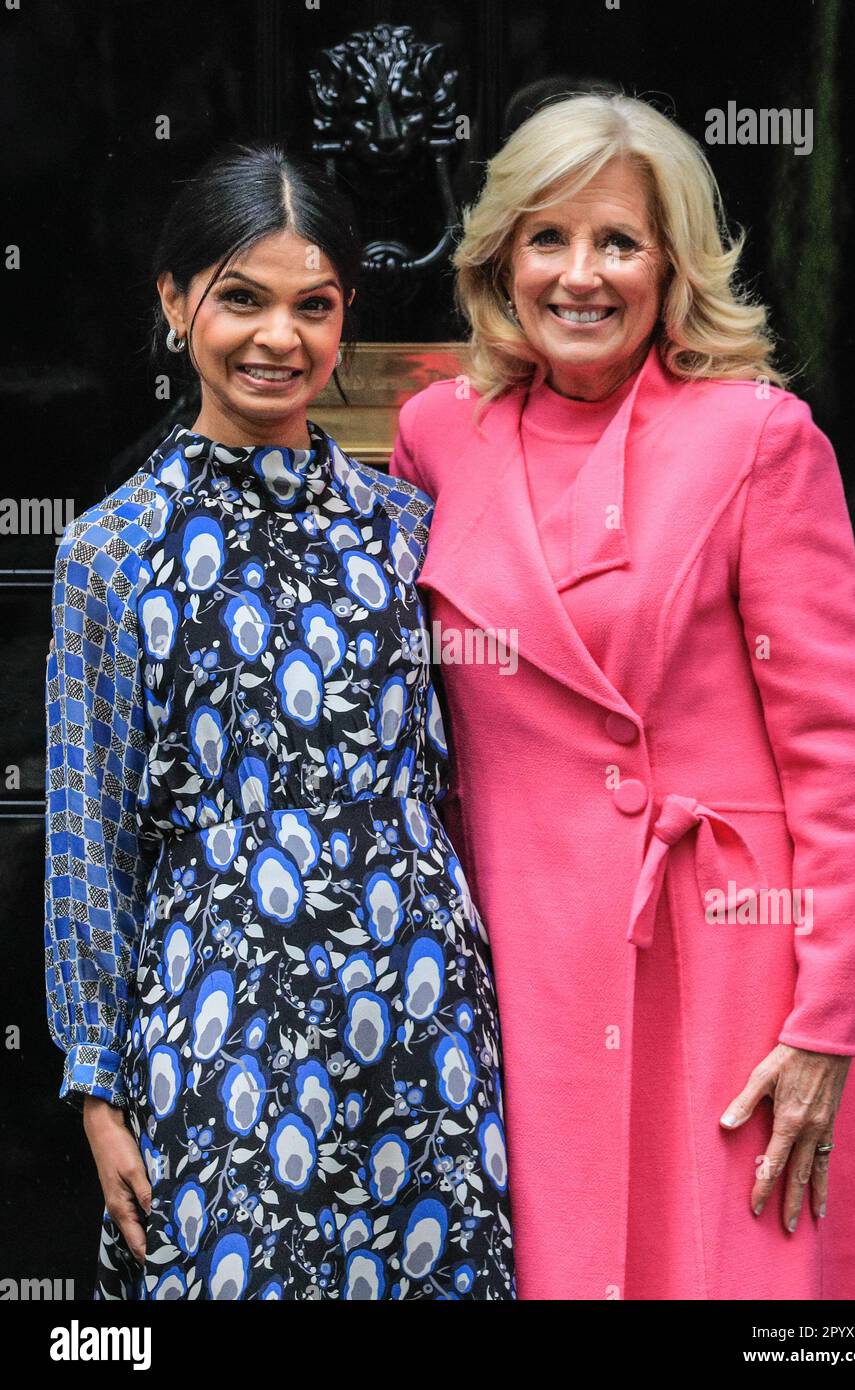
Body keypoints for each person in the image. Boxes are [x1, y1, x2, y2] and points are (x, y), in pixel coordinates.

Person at [389, 90, 855, 1300]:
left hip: (723, 956)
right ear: (502, 256)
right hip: (520, 957)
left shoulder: (758, 436)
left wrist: (824, 1022)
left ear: (672, 264)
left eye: (618, 241)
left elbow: (831, 749)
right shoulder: (433, 433)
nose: (580, 275)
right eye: (548, 239)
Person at [43, 141, 516, 1301]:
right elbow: (87, 842)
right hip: (223, 1012)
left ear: (345, 316)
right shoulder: (110, 552)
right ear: (173, 302)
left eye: (313, 306)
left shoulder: (411, 530)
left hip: (421, 1009)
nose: (278, 338)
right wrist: (101, 1091)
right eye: (240, 298)